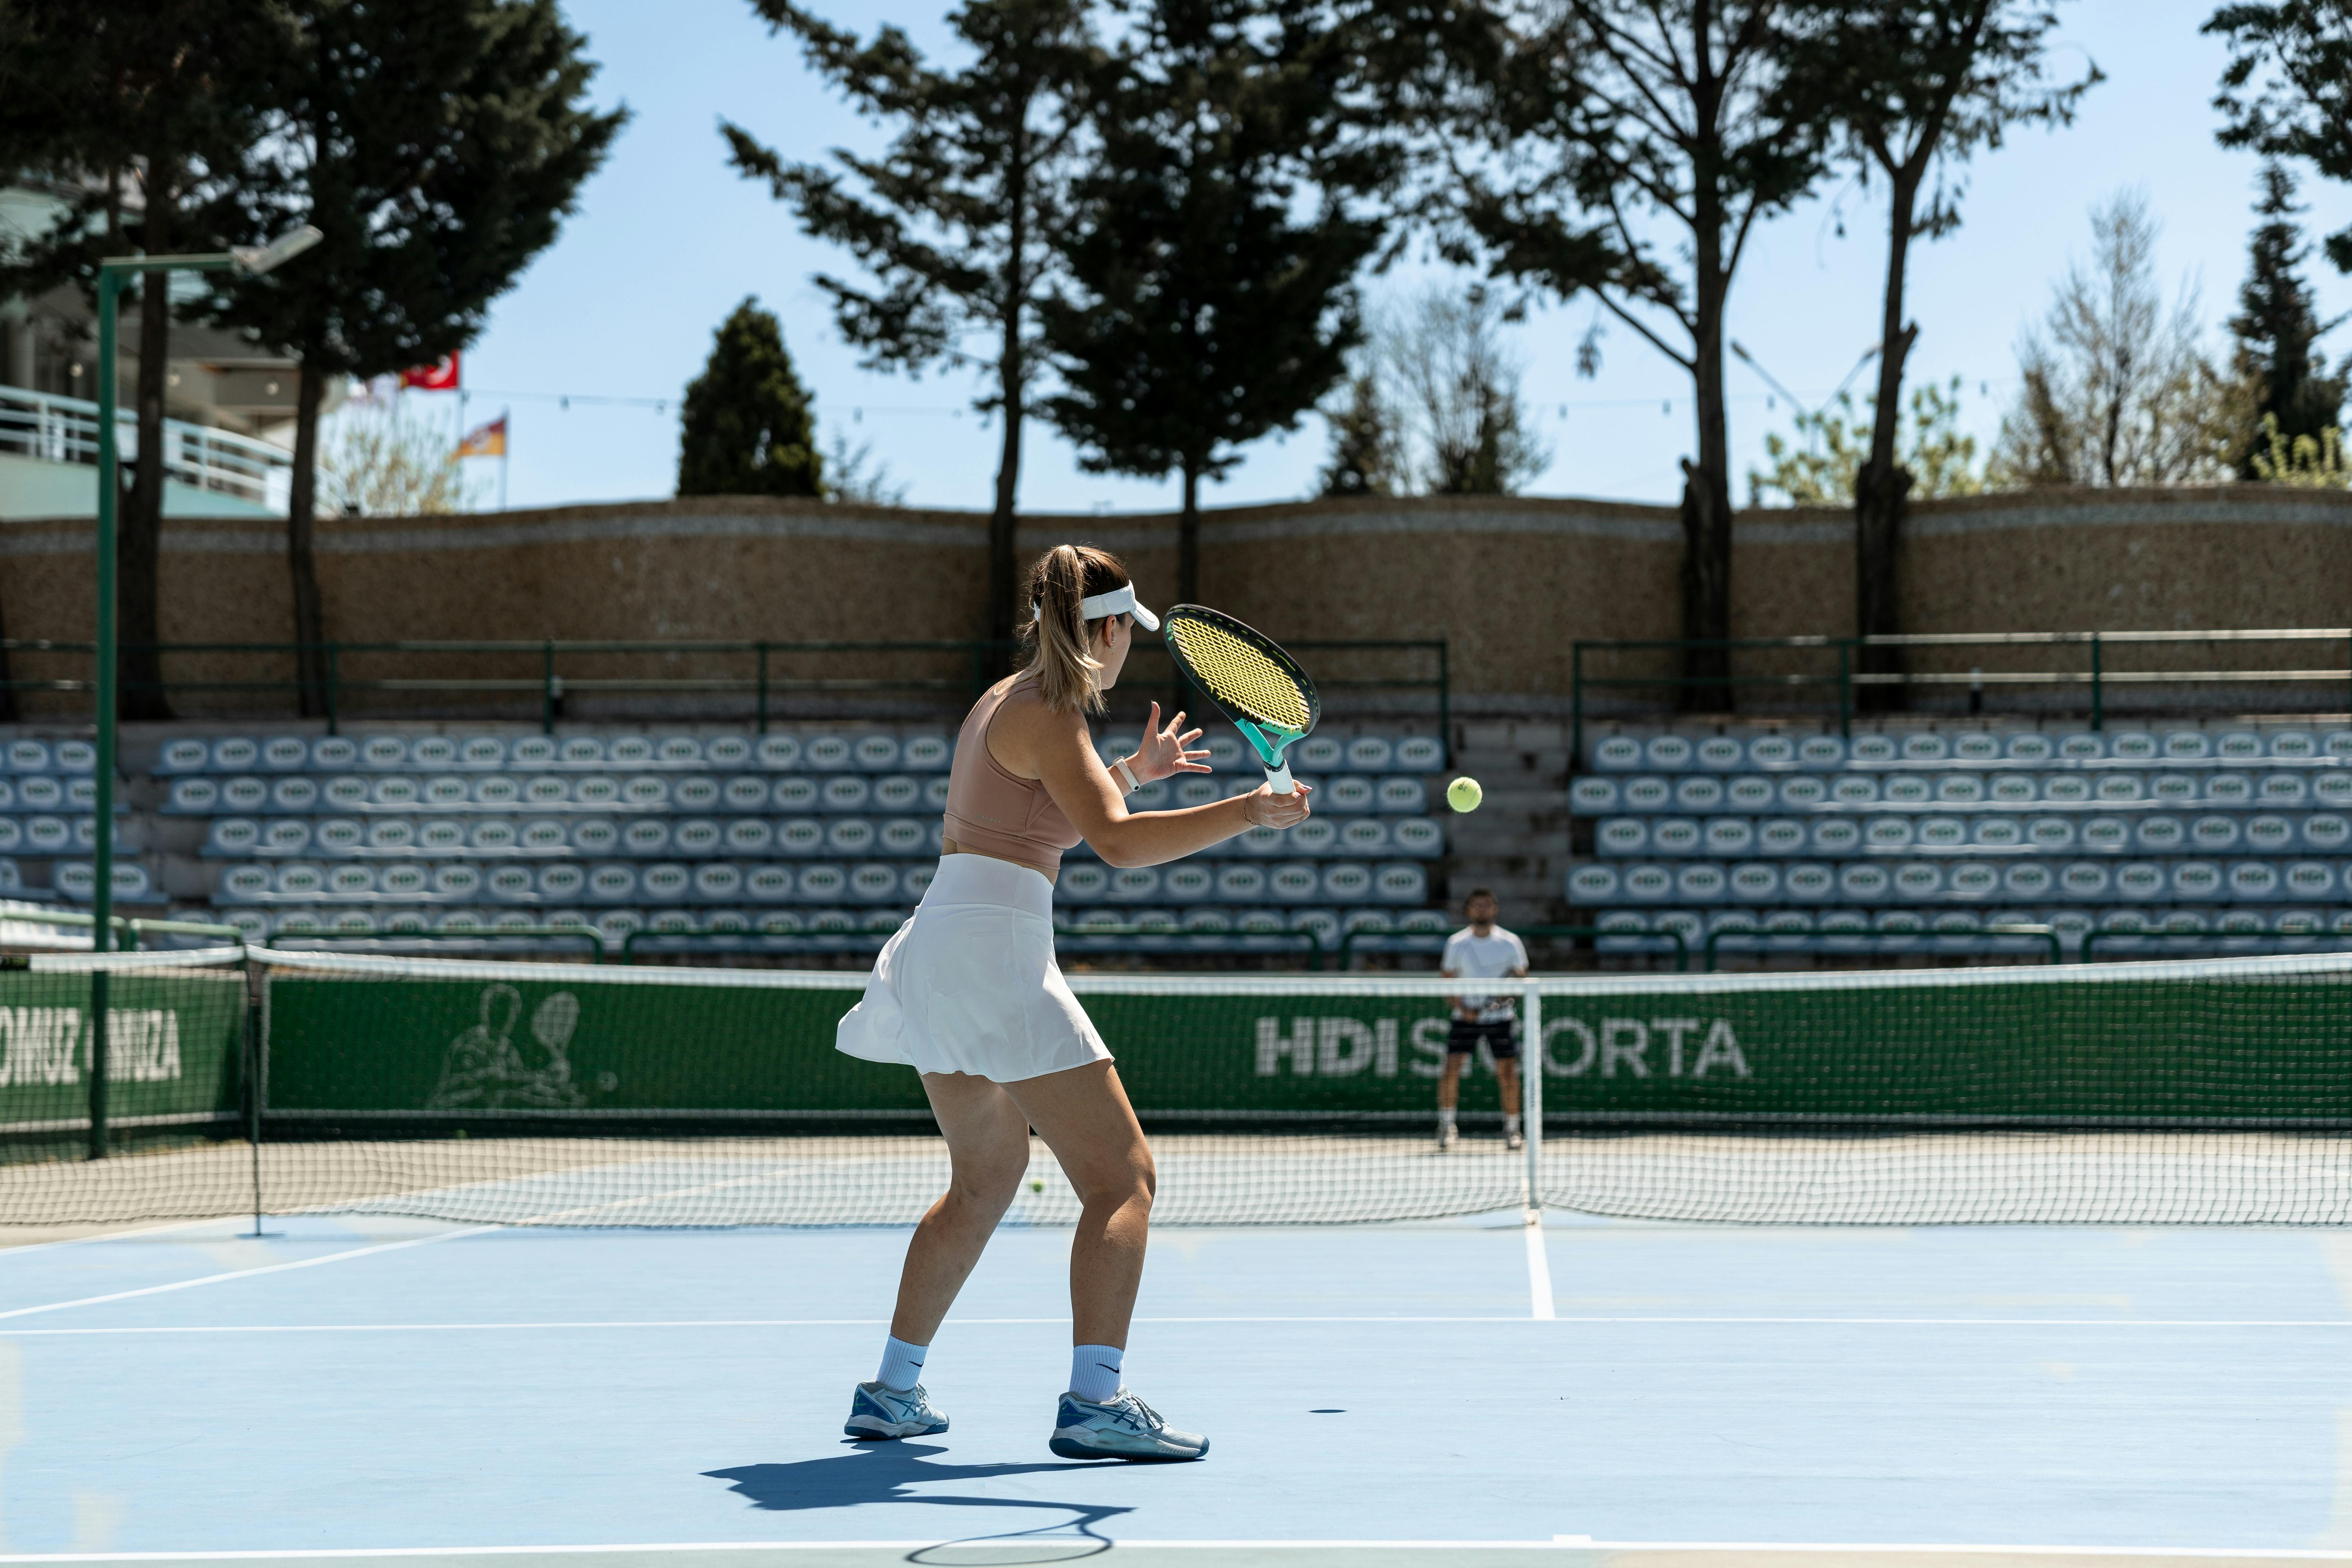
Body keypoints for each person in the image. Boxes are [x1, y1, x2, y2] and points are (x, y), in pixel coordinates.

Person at [832, 543, 1313, 1463]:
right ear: (1108, 629)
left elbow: (1033, 820)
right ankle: (1095, 1401)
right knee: (1123, 1179)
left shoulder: (1004, 699)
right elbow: (1118, 846)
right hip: (993, 950)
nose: (1132, 646)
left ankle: (891, 1390)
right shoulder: (1053, 712)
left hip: (937, 947)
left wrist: (1128, 774)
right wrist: (1248, 811)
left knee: (985, 1179)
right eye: (1130, 632)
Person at [1437, 888, 1528, 1152]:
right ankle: (1446, 1126)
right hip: (1464, 1018)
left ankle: (1512, 1129)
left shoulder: (1510, 942)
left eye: (1486, 905)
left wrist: (1503, 996)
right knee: (1451, 1070)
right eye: (1476, 905)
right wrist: (1463, 1008)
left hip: (1500, 1018)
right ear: (1468, 909)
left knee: (1508, 1072)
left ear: (1494, 909)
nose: (1481, 910)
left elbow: (1520, 976)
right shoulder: (1457, 942)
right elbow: (1447, 980)